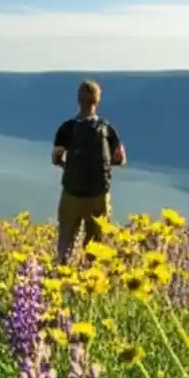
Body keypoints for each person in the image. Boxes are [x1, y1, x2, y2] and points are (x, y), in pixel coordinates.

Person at [52, 79, 126, 264]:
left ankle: (62, 272)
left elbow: (56, 157)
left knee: (66, 242)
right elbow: (120, 158)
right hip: (99, 195)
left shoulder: (67, 128)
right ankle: (90, 278)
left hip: (72, 193)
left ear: (78, 99)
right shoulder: (107, 128)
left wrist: (66, 165)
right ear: (97, 100)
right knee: (95, 245)